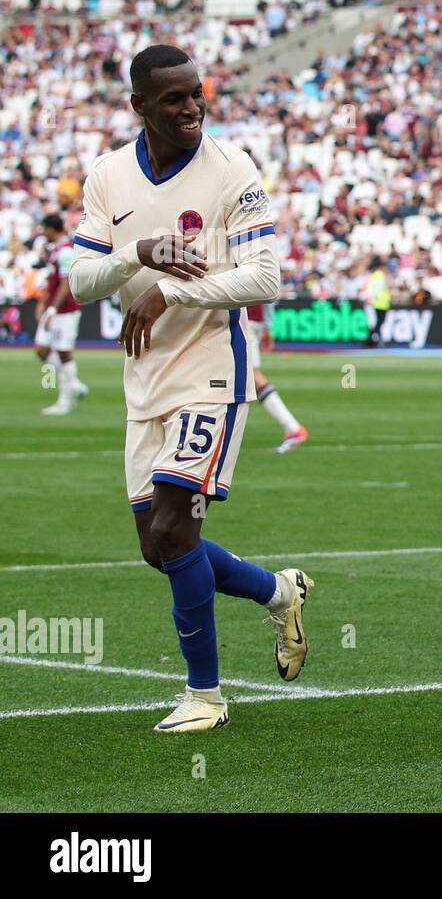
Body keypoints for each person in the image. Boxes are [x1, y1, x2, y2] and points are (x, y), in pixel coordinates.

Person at [68, 44, 317, 734]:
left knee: (178, 525)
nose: (190, 108)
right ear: (139, 106)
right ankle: (277, 589)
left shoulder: (233, 169)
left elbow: (265, 279)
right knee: (159, 547)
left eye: (195, 94)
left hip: (212, 365)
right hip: (144, 373)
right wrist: (138, 256)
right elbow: (80, 281)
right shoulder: (108, 175)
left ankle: (205, 695)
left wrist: (171, 291)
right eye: (173, 98)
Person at [33, 213, 89, 415]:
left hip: (65, 311)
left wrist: (53, 309)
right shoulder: (56, 250)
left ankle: (66, 400)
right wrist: (43, 303)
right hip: (54, 309)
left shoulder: (65, 252)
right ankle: (75, 385)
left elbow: (65, 284)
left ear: (51, 229)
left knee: (64, 352)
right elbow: (52, 281)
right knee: (42, 349)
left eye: (44, 228)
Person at [247, 303, 310, 452]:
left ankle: (293, 428)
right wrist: (267, 326)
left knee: (252, 376)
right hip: (254, 318)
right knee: (243, 376)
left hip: (243, 319)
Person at [364, 258, 390, 347]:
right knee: (378, 324)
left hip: (375, 302)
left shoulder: (373, 275)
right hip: (380, 303)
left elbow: (370, 288)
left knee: (375, 324)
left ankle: (372, 340)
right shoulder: (380, 275)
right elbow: (378, 288)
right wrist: (373, 298)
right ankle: (372, 341)